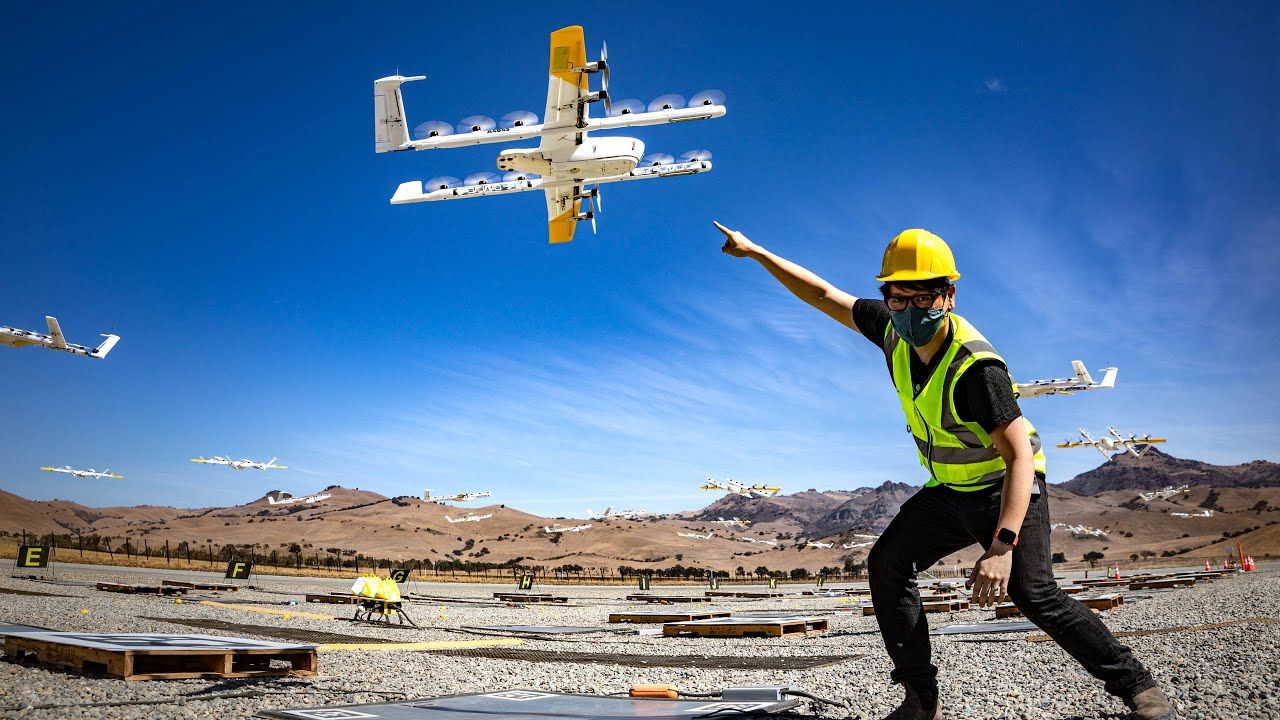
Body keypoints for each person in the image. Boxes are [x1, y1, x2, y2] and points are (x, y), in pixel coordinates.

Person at [715, 222, 1177, 720]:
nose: (910, 310)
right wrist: (758, 251)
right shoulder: (891, 328)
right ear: (887, 296)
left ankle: (1140, 690)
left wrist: (1002, 546)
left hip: (1006, 489)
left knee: (1034, 592)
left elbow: (1020, 457)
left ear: (948, 296)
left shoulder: (977, 370)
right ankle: (920, 700)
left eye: (923, 299)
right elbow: (824, 295)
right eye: (898, 297)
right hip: (949, 491)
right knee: (888, 563)